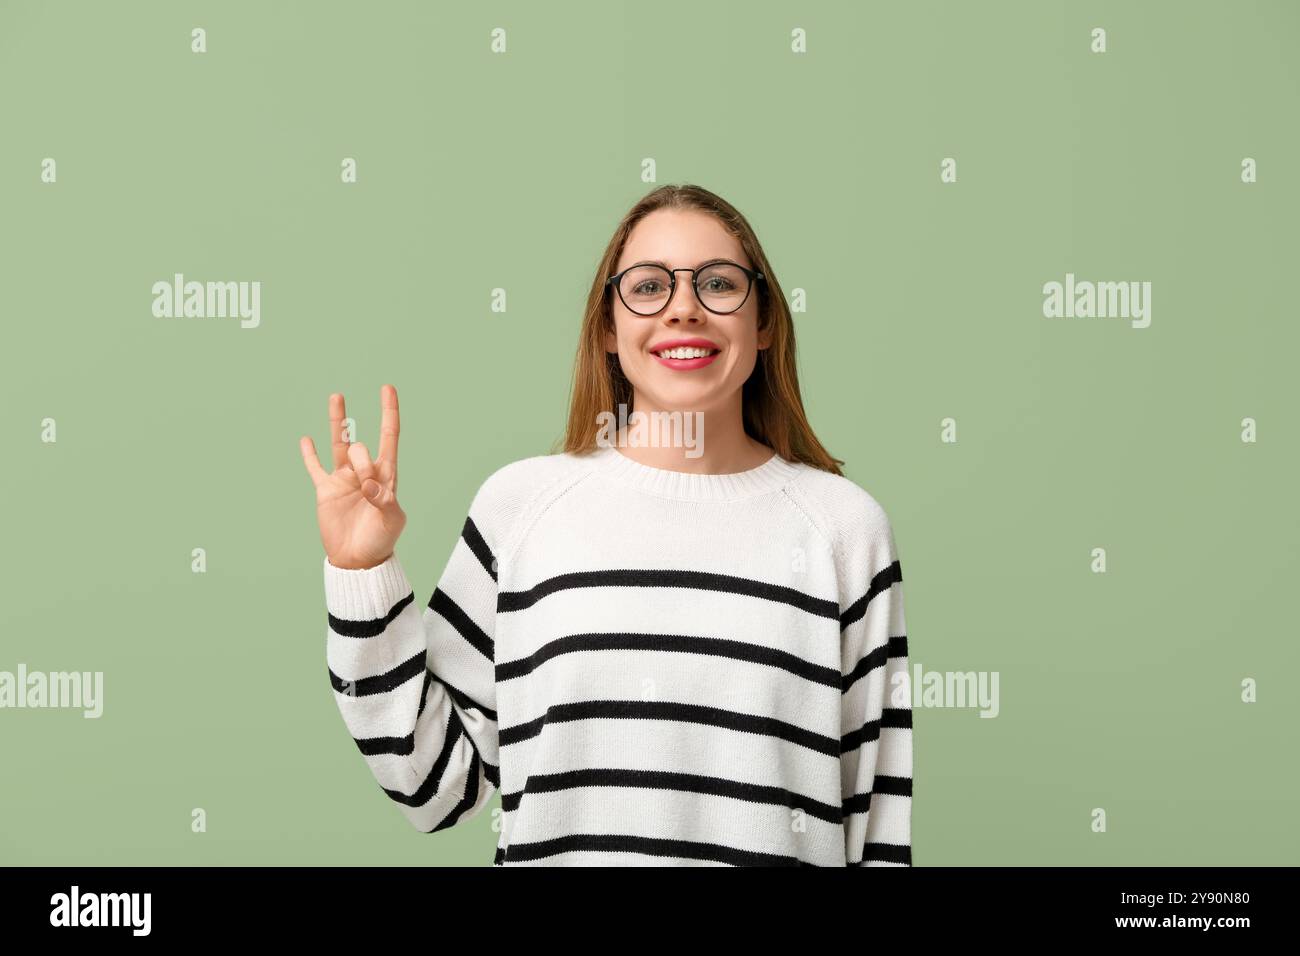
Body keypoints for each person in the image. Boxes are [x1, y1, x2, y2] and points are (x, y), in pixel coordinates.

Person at [299, 183, 913, 866]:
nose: (685, 308)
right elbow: (434, 789)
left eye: (718, 283)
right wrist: (363, 573)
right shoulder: (521, 509)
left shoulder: (844, 530)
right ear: (608, 330)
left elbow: (878, 824)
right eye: (649, 287)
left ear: (764, 322)